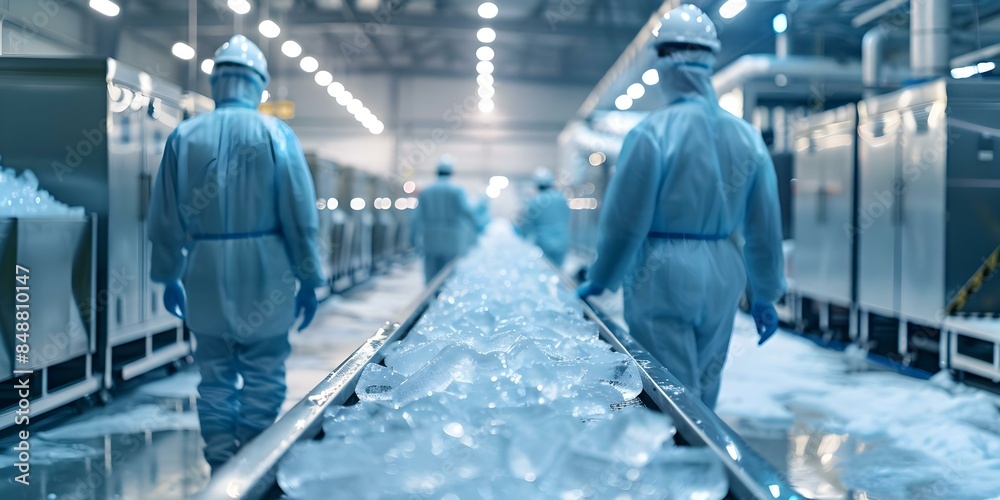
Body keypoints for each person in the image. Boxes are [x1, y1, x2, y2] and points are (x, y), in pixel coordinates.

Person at [576, 4, 785, 410]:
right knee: (705, 387)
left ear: (664, 65)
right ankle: (708, 460)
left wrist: (603, 277)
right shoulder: (746, 137)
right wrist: (765, 293)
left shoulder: (651, 134)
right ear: (709, 61)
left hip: (662, 272)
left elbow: (625, 221)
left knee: (669, 392)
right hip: (725, 268)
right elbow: (765, 226)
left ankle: (677, 463)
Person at [147, 35, 325, 471]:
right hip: (268, 267)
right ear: (258, 85)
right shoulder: (276, 133)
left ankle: (221, 465)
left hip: (203, 268)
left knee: (214, 377)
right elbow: (300, 215)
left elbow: (164, 218)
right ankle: (252, 464)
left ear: (215, 82)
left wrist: (169, 274)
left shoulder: (184, 135)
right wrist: (309, 278)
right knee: (265, 372)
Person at [411, 156, 478, 283]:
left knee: (431, 278)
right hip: (453, 239)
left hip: (431, 239)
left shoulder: (426, 192)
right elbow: (468, 213)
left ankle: (431, 301)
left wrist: (412, 240)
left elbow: (416, 218)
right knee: (449, 278)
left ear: (436, 172)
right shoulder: (457, 191)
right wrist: (474, 235)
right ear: (451, 172)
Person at [518, 168, 570, 267]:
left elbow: (526, 225)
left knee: (546, 270)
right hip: (562, 243)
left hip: (544, 245)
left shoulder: (534, 202)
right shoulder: (562, 199)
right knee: (558, 271)